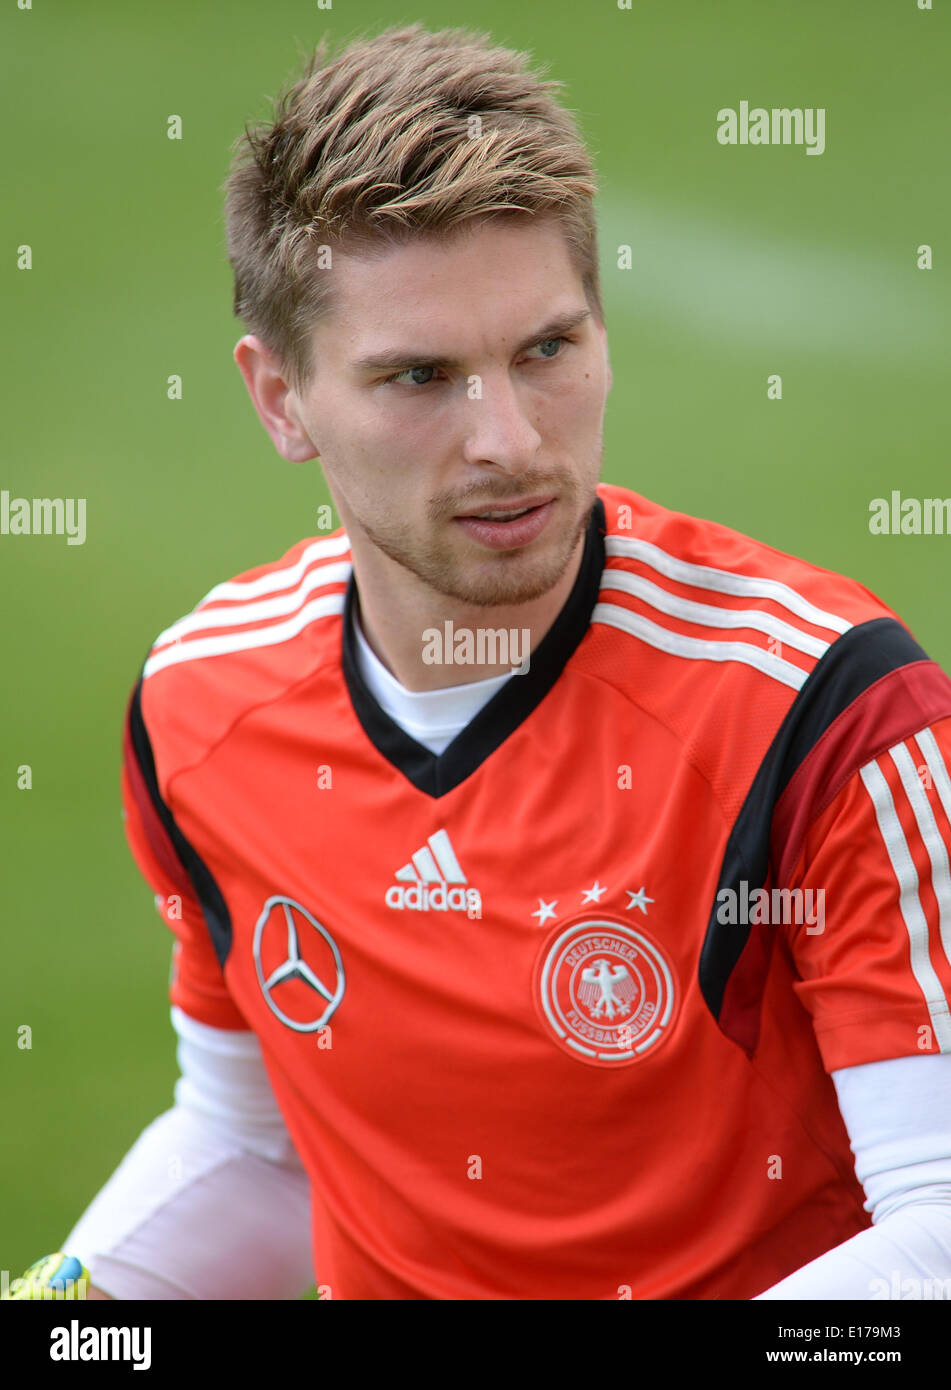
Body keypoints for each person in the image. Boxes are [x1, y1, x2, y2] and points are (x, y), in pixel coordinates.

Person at [23, 23, 951, 1301]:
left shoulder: (831, 714)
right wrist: (77, 1323)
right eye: (421, 376)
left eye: (547, 352)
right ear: (281, 398)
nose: (509, 440)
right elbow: (262, 1146)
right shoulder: (201, 706)